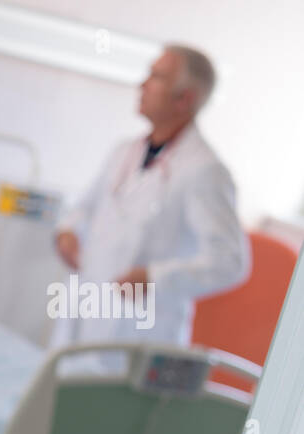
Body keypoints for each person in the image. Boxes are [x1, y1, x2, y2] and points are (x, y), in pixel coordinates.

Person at [50, 44, 248, 354]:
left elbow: (230, 262)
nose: (142, 85)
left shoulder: (205, 171)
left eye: (156, 77)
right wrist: (67, 232)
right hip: (85, 320)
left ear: (185, 98)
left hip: (141, 335)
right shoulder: (123, 152)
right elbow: (82, 209)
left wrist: (154, 277)